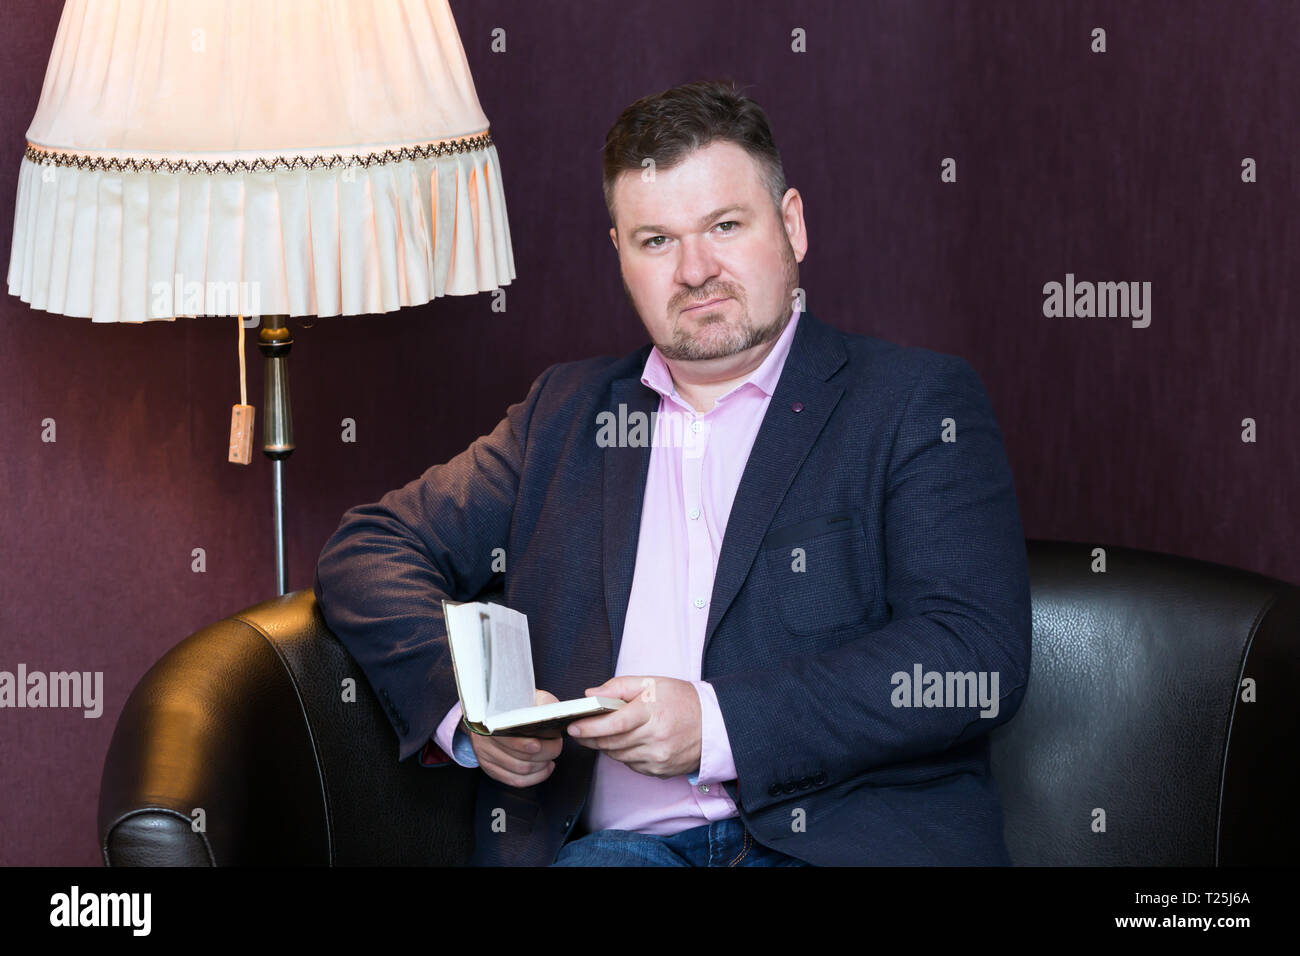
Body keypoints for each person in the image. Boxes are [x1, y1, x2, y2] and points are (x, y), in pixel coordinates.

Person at [313, 79, 1032, 866]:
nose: (695, 270)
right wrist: (473, 711)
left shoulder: (914, 402)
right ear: (619, 254)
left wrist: (718, 726)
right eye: (656, 241)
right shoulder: (564, 414)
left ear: (791, 224)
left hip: (839, 845)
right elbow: (369, 549)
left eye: (725, 225)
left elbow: (971, 653)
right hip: (616, 853)